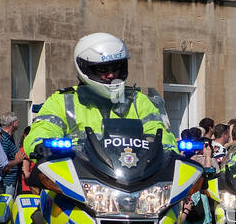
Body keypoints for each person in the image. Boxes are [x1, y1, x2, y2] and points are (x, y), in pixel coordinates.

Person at [24, 33, 176, 154]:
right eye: (103, 70)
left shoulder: (138, 101)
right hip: (74, 180)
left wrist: (169, 151)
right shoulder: (62, 101)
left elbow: (160, 135)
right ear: (86, 69)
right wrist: (40, 146)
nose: (110, 75)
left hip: (131, 178)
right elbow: (42, 130)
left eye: (115, 68)